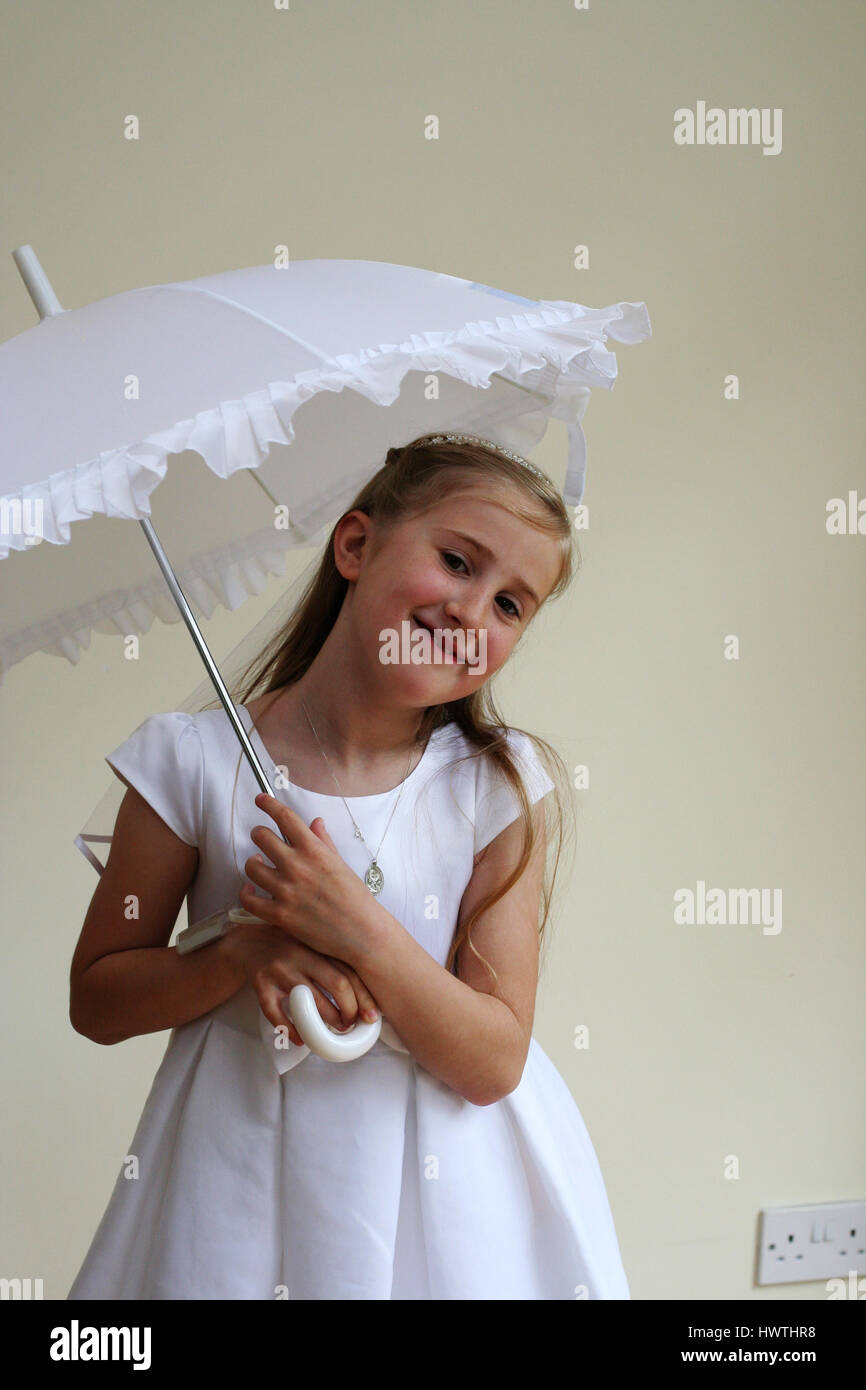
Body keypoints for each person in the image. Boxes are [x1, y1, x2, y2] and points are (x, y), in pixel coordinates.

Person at [67, 432, 630, 1300]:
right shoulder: (193, 762)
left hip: (444, 1192)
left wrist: (359, 930)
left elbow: (492, 1061)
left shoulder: (497, 787)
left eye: (513, 604)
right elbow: (98, 999)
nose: (474, 612)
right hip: (235, 1169)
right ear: (357, 546)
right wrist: (241, 955)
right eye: (456, 561)